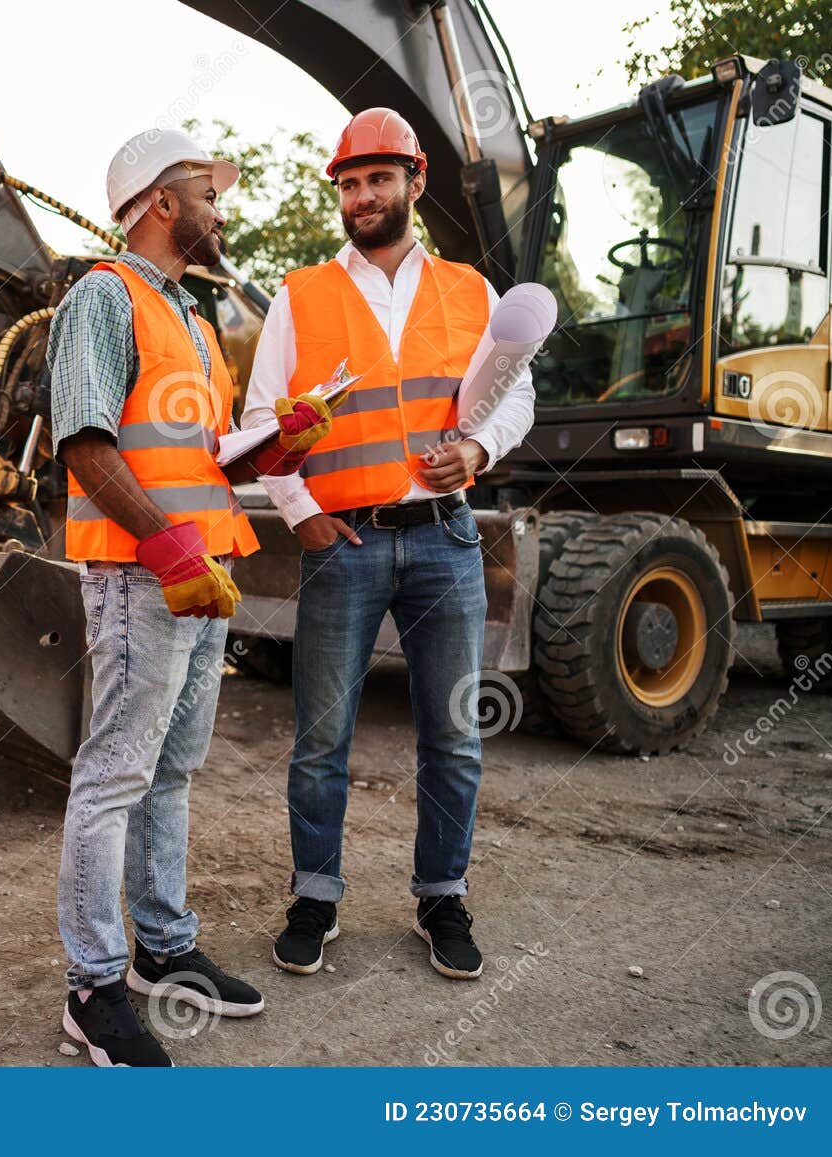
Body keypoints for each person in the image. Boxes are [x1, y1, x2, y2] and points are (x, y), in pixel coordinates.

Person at [49, 128, 333, 1067]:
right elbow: (86, 446)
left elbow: (204, 459)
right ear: (164, 203)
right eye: (209, 195)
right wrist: (165, 544)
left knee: (170, 770)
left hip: (203, 573)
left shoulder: (196, 323)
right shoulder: (104, 297)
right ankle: (93, 986)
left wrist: (280, 442)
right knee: (114, 774)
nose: (221, 211)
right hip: (145, 571)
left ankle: (162, 948)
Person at [240, 108, 536, 982]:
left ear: (414, 183)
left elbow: (515, 396)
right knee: (320, 739)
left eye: (377, 179)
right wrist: (299, 514)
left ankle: (442, 897)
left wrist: (479, 449)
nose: (361, 197)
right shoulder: (300, 296)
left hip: (445, 540)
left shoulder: (471, 293)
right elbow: (260, 422)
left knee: (452, 736)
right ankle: (315, 896)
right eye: (349, 183)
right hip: (344, 543)